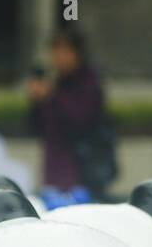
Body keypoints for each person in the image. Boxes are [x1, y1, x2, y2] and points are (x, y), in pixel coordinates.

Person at [27, 27, 114, 198]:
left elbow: (80, 121)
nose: (59, 57)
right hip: (55, 174)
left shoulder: (89, 82)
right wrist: (36, 102)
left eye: (65, 51)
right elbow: (37, 128)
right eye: (56, 51)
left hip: (84, 174)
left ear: (78, 53)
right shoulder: (55, 82)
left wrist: (52, 96)